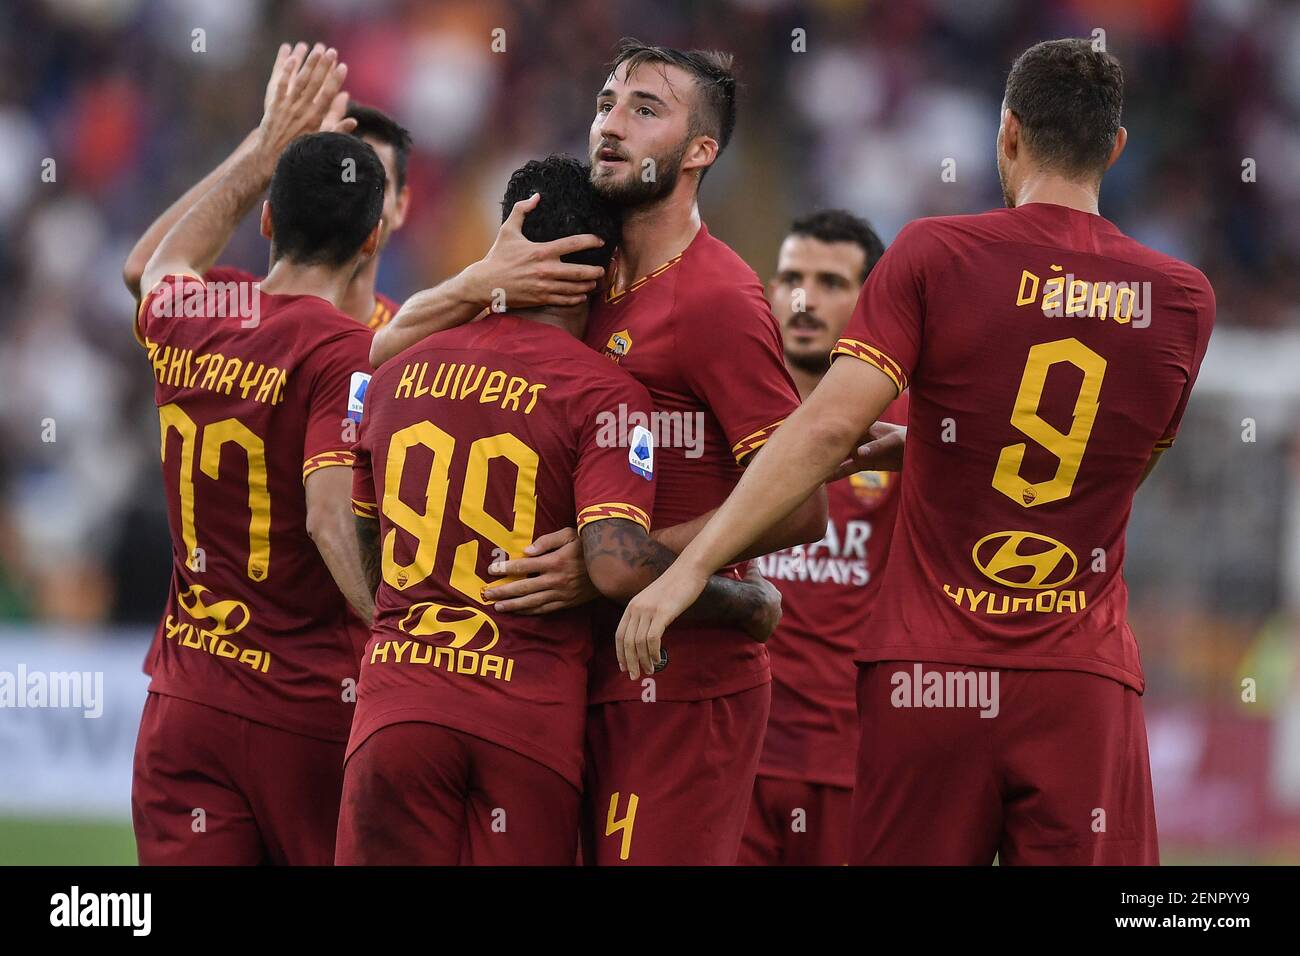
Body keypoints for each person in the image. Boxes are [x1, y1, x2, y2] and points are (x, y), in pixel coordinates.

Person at [617, 38, 1215, 866]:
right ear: (1114, 147)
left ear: (1006, 134)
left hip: (926, 674)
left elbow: (827, 428)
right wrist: (938, 444)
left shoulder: (938, 252)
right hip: (1081, 675)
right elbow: (1120, 464)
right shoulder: (1184, 298)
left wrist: (685, 569)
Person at [366, 40, 828, 865]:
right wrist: (477, 282)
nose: (611, 126)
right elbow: (383, 352)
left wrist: (619, 562)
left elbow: (797, 502)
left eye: (645, 110)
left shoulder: (719, 298)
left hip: (683, 678)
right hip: (573, 675)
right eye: (606, 104)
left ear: (700, 152)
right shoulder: (574, 269)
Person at [130, 44, 384, 864]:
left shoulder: (194, 313)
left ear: (267, 220)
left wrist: (263, 144)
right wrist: (394, 627)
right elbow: (326, 515)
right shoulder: (346, 348)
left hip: (184, 701)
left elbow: (153, 262)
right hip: (305, 705)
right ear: (374, 237)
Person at [739, 209, 906, 866]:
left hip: (858, 764)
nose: (805, 298)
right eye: (791, 278)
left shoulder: (906, 431)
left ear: (872, 302)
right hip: (733, 750)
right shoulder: (721, 411)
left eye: (832, 282)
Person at [122, 43, 409, 329]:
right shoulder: (237, 305)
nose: (347, 195)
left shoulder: (407, 348)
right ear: (272, 213)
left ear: (400, 206)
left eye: (371, 183)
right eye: (329, 178)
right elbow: (147, 272)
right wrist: (264, 145)